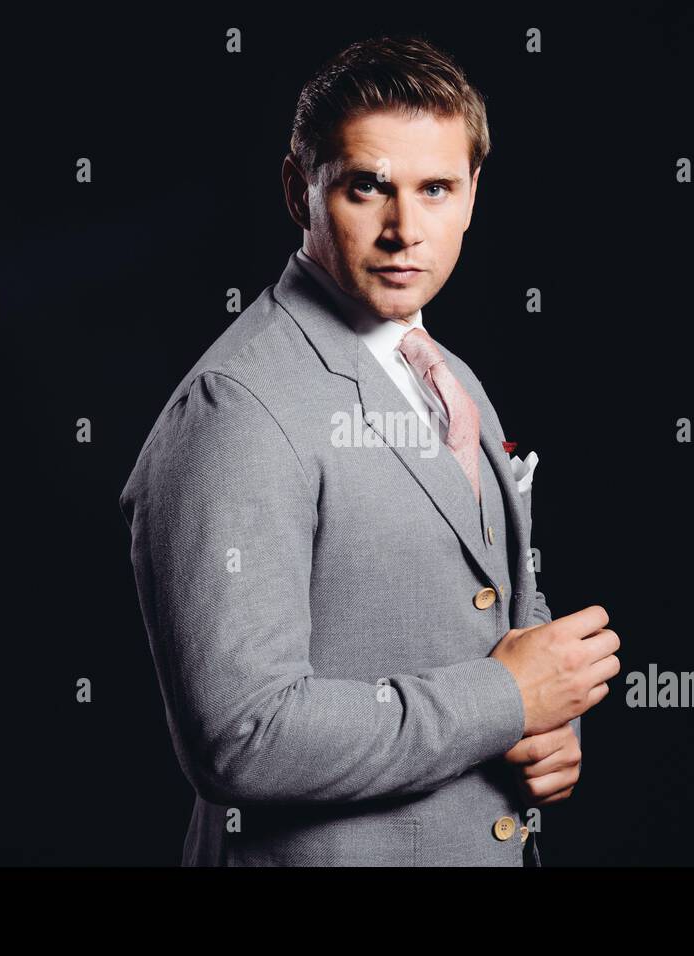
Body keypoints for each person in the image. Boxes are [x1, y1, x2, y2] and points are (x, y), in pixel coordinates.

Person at [119, 35, 620, 866]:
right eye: (367, 188)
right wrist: (506, 698)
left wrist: (547, 726)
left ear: (471, 196)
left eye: (435, 189)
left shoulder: (447, 374)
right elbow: (243, 738)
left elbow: (487, 610)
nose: (404, 230)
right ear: (298, 190)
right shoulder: (236, 408)